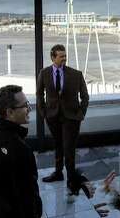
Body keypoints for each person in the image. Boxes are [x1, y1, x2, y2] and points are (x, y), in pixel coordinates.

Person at [0, 85, 42, 218]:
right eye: (25, 105)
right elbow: (28, 195)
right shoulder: (22, 149)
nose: (29, 109)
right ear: (9, 112)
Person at [36, 45, 90, 193]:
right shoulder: (44, 73)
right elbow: (39, 94)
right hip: (52, 116)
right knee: (58, 145)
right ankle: (58, 173)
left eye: (65, 56)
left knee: (69, 148)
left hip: (71, 117)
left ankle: (72, 179)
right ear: (53, 58)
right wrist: (43, 113)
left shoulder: (76, 74)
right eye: (61, 56)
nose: (64, 58)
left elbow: (85, 96)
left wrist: (81, 113)